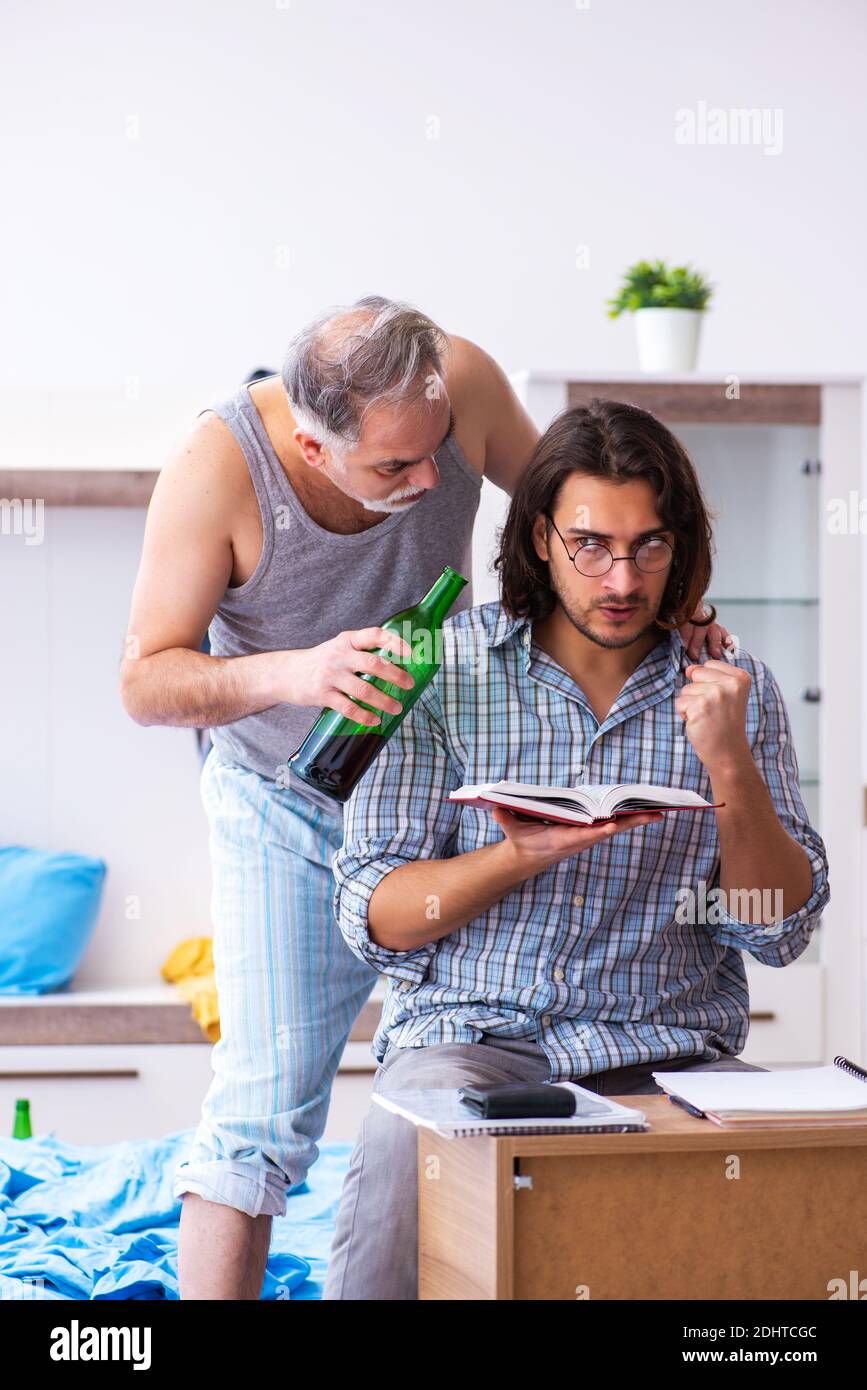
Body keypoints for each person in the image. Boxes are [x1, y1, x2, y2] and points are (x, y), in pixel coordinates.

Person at [119, 297, 728, 1299]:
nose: (434, 480)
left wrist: (688, 604)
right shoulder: (216, 469)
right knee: (264, 1110)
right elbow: (145, 681)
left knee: (444, 1067)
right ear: (311, 444)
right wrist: (297, 674)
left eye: (439, 447)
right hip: (290, 796)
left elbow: (577, 514)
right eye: (394, 469)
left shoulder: (465, 380)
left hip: (438, 786)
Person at [324, 397, 830, 1301]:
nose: (622, 579)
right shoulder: (443, 668)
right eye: (590, 544)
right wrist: (515, 856)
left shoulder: (732, 688)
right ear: (539, 541)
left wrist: (731, 769)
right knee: (403, 1152)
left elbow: (776, 933)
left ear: (681, 547)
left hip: (671, 1049)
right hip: (475, 1041)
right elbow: (375, 918)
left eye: (649, 546)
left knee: (788, 1206)